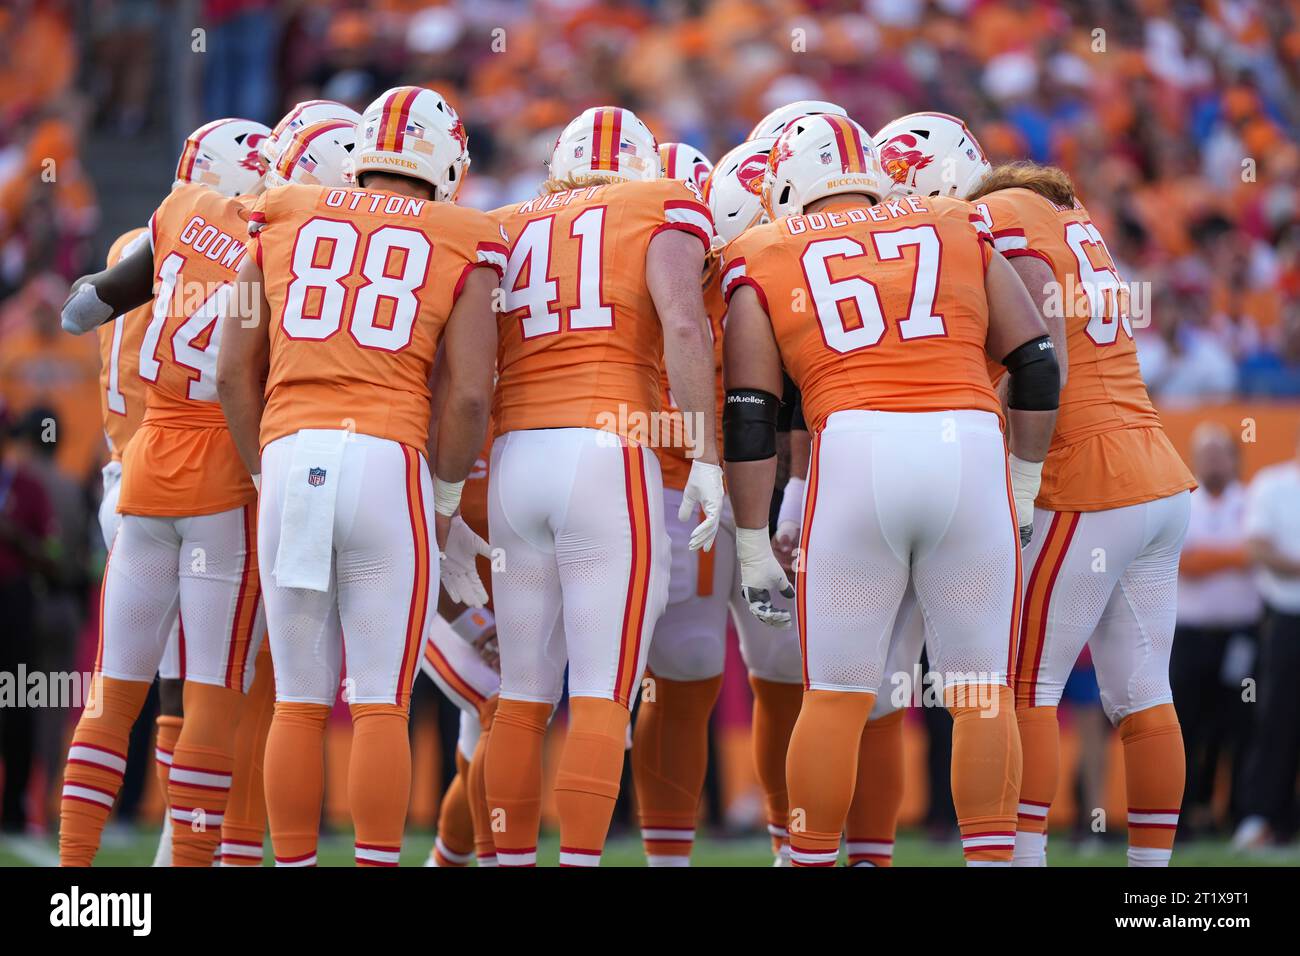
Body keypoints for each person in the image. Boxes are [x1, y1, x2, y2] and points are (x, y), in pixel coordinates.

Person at [722, 112, 1058, 866]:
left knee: (836, 696)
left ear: (785, 184)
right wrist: (1024, 486)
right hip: (968, 448)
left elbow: (751, 413)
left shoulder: (764, 249)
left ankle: (807, 857)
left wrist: (752, 542)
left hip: (856, 454)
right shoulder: (954, 219)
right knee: (980, 693)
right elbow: (1036, 361)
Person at [219, 86, 501, 867]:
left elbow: (230, 371)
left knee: (299, 706)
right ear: (446, 162)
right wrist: (444, 500)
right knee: (380, 700)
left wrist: (261, 467)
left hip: (290, 453)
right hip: (387, 459)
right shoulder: (465, 234)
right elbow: (470, 393)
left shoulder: (281, 211)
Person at [483, 106, 724, 867]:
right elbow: (685, 330)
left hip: (516, 454)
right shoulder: (658, 204)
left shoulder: (503, 221)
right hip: (608, 449)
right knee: (600, 691)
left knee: (521, 697)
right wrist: (704, 453)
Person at [57, 116, 271, 866]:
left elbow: (82, 307)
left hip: (140, 467)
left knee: (113, 696)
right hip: (221, 475)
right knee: (208, 697)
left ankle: (73, 877)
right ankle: (186, 862)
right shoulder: (275, 240)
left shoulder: (168, 220)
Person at [1172, 423, 1260, 838]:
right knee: (1184, 728)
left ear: (1234, 458)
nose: (1211, 462)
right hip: (1190, 636)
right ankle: (1187, 815)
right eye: (1204, 454)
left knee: (1238, 727)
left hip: (1240, 634)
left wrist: (1211, 557)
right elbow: (1185, 563)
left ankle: (1236, 815)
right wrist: (1238, 556)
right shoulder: (1183, 504)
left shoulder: (1252, 503)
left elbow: (1261, 552)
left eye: (1218, 454)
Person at [1234, 430, 1300, 850]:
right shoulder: (1273, 484)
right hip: (1286, 619)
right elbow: (1258, 548)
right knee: (1277, 720)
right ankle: (1262, 819)